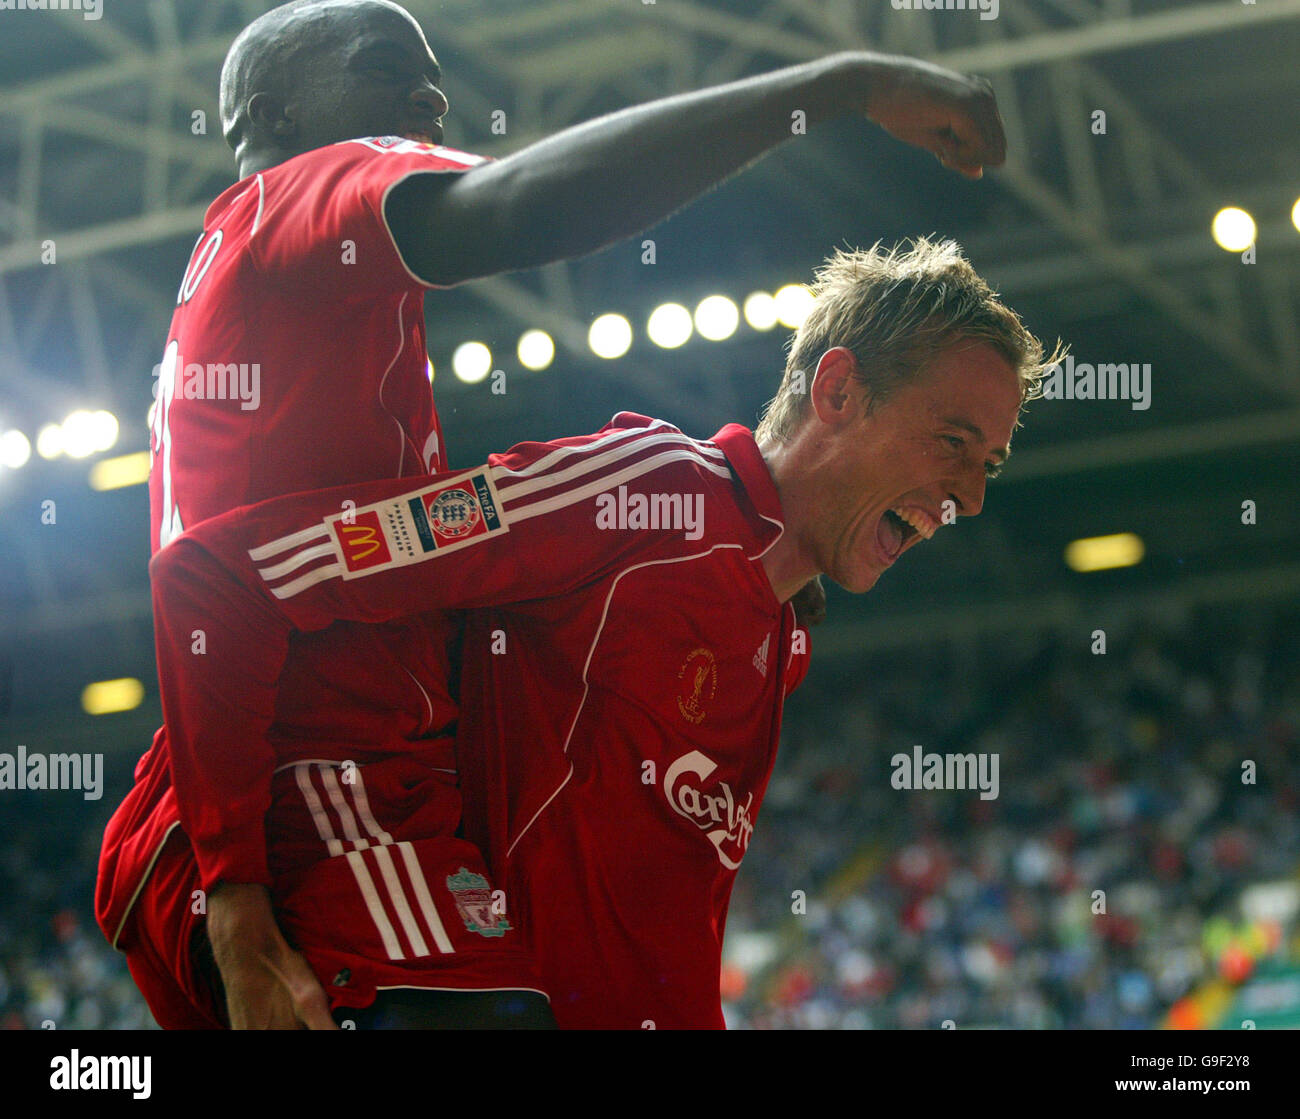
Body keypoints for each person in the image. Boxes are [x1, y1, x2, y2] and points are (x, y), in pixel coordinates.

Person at [98, 0, 1009, 1029]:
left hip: (328, 810)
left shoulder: (298, 293)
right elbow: (512, 204)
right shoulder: (291, 201)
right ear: (269, 112)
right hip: (303, 805)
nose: (433, 96)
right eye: (386, 65)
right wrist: (827, 90)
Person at [142, 237, 1061, 1027]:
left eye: (987, 465)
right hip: (437, 978)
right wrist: (234, 896)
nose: (970, 498)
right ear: (838, 389)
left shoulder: (780, 636)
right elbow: (235, 569)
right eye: (951, 443)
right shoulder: (645, 490)